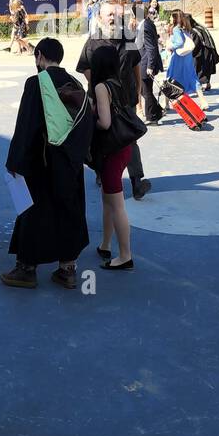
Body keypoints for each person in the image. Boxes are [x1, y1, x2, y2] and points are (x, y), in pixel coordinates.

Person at [2, 37, 93, 289]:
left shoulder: (36, 83)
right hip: (69, 161)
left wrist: (15, 161)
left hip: (40, 162)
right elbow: (85, 124)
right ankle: (67, 270)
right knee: (69, 210)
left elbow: (26, 126)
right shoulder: (75, 83)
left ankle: (27, 269)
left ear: (39, 55)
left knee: (33, 212)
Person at [77, 3, 150, 200]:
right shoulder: (93, 43)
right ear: (100, 18)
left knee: (130, 138)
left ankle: (136, 182)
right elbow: (84, 67)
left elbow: (135, 63)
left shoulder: (128, 40)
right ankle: (101, 172)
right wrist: (99, 85)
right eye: (109, 15)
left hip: (125, 99)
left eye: (117, 15)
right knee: (102, 137)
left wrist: (138, 87)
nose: (113, 18)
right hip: (101, 99)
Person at [87, 45, 135, 271]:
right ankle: (105, 244)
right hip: (124, 146)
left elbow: (104, 123)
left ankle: (125, 255)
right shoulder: (118, 83)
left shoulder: (100, 87)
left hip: (111, 150)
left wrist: (88, 122)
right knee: (108, 199)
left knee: (116, 204)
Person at [165, 11, 204, 110]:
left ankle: (165, 104)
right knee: (192, 77)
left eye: (171, 17)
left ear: (174, 18)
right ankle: (203, 101)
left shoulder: (176, 29)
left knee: (170, 78)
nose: (169, 18)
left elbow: (179, 42)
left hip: (178, 58)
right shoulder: (185, 28)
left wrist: (170, 46)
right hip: (187, 57)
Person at [138, 4, 164, 125]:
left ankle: (153, 117)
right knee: (144, 90)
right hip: (144, 62)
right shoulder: (145, 23)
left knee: (146, 90)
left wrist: (150, 66)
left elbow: (151, 48)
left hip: (146, 63)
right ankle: (157, 111)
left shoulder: (145, 26)